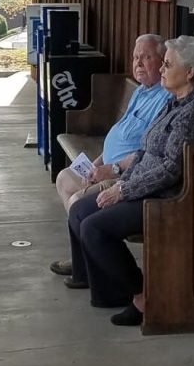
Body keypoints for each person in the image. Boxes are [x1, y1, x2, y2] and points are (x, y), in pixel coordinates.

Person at [65, 35, 194, 326]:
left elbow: (170, 170)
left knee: (95, 227)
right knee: (80, 211)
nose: (162, 70)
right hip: (145, 184)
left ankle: (143, 296)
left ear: (190, 72)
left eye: (167, 64)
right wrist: (118, 175)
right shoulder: (177, 102)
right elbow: (147, 150)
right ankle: (110, 292)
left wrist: (123, 189)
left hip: (169, 197)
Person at [48, 34, 171, 278]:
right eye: (136, 57)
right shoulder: (142, 91)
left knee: (78, 204)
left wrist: (111, 169)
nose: (138, 63)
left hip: (126, 174)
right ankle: (86, 257)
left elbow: (149, 150)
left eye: (147, 57)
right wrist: (97, 163)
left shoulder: (164, 97)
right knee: (64, 178)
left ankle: (87, 264)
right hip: (106, 165)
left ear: (162, 63)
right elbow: (121, 132)